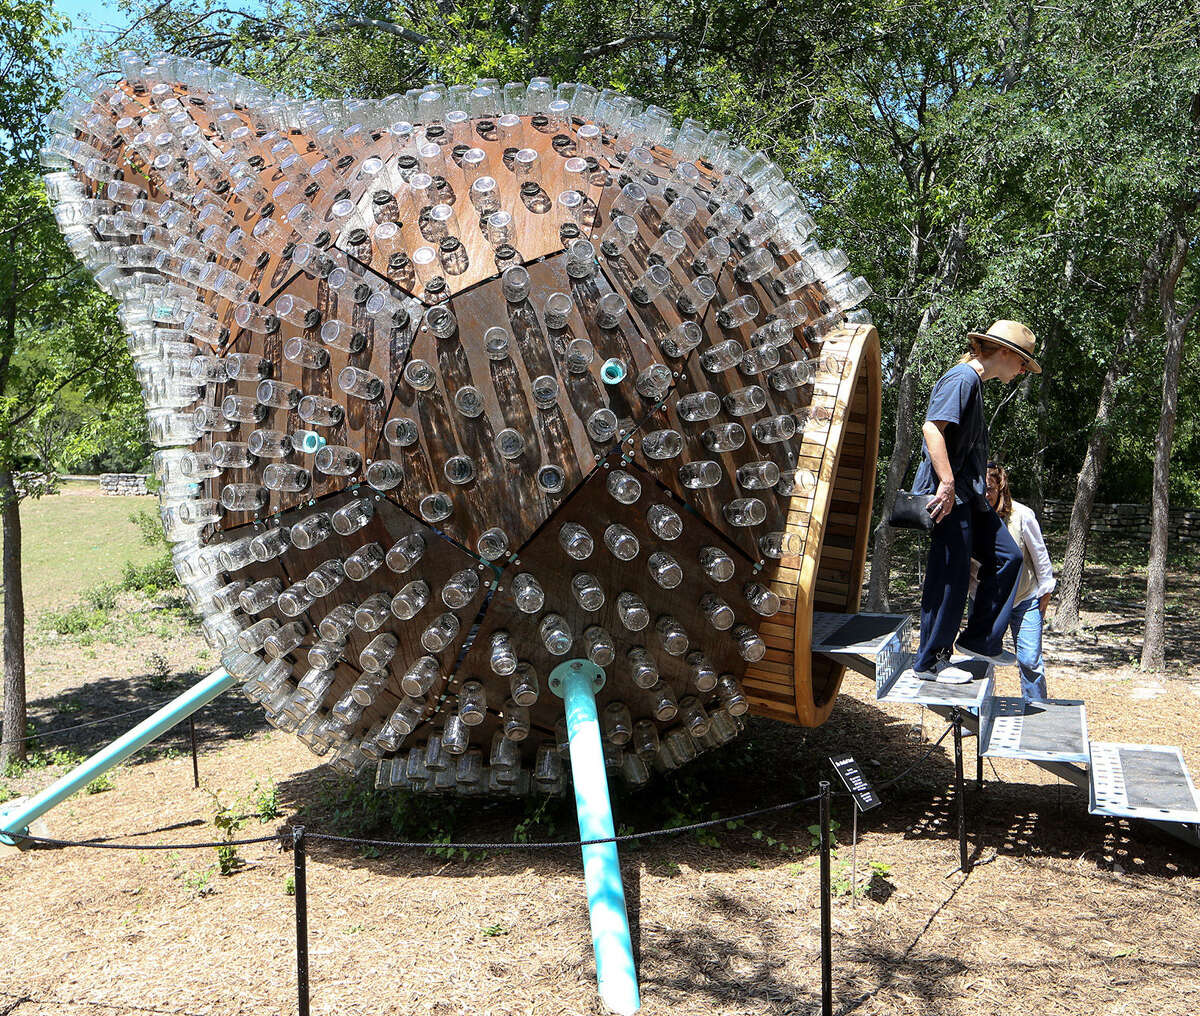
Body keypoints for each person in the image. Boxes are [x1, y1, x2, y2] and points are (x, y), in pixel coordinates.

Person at [909, 320, 1043, 683]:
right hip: (950, 497)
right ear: (1004, 352)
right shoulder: (962, 379)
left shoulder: (976, 386)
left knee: (1008, 556)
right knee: (950, 577)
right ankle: (930, 661)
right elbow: (931, 428)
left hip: (970, 497)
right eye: (1021, 363)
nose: (1021, 371)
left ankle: (980, 640)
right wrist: (947, 484)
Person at [985, 463, 1055, 702]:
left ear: (1000, 487)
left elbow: (1040, 556)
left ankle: (1036, 715)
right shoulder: (974, 517)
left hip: (1024, 599)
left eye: (990, 488)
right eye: (980, 489)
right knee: (980, 659)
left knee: (1029, 661)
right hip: (988, 602)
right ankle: (975, 717)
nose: (985, 494)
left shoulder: (1022, 515)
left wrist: (1045, 591)